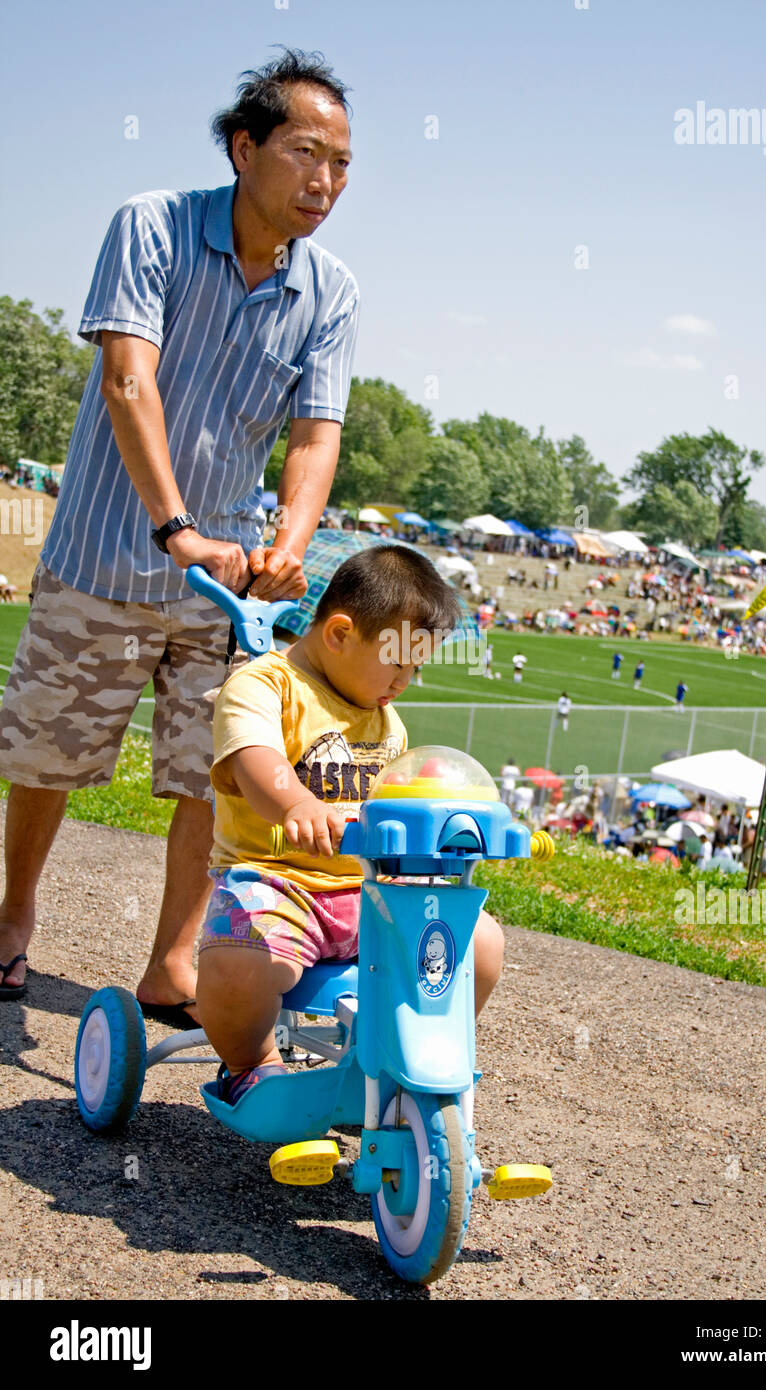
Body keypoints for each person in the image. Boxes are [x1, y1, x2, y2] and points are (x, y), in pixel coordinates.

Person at [0, 51, 360, 1011]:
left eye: (341, 165)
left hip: (227, 584)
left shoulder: (332, 293)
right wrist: (178, 528)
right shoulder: (151, 225)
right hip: (109, 553)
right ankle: (12, 914)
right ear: (245, 148)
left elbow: (315, 437)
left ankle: (173, 960)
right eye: (305, 153)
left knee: (221, 774)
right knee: (46, 756)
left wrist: (290, 540)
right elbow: (129, 379)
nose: (324, 181)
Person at [196, 547, 505, 1101]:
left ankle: (411, 1049)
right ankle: (251, 1064)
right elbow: (254, 760)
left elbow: (395, 804)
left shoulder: (388, 720)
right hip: (277, 884)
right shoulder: (265, 686)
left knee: (477, 940)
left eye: (416, 667)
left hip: (369, 890)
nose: (406, 681)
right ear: (339, 634)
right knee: (240, 966)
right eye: (399, 663)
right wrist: (296, 805)